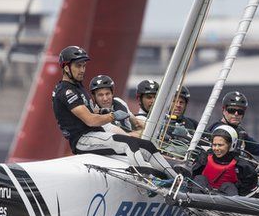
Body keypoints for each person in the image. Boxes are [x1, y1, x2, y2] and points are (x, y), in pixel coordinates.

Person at [52, 46, 175, 178]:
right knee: (129, 143)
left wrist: (101, 111)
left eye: (84, 66)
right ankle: (148, 180)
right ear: (66, 68)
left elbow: (91, 111)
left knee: (147, 146)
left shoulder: (77, 86)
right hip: (83, 140)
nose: (82, 70)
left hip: (96, 135)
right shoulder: (66, 91)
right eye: (78, 66)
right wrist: (112, 115)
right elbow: (90, 120)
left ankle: (176, 180)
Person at [185, 125, 257, 196]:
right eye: (214, 145)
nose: (216, 148)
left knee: (228, 186)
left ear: (231, 145)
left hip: (225, 202)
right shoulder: (204, 158)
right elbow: (192, 177)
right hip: (202, 197)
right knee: (199, 179)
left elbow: (246, 189)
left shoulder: (242, 166)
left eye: (220, 145)